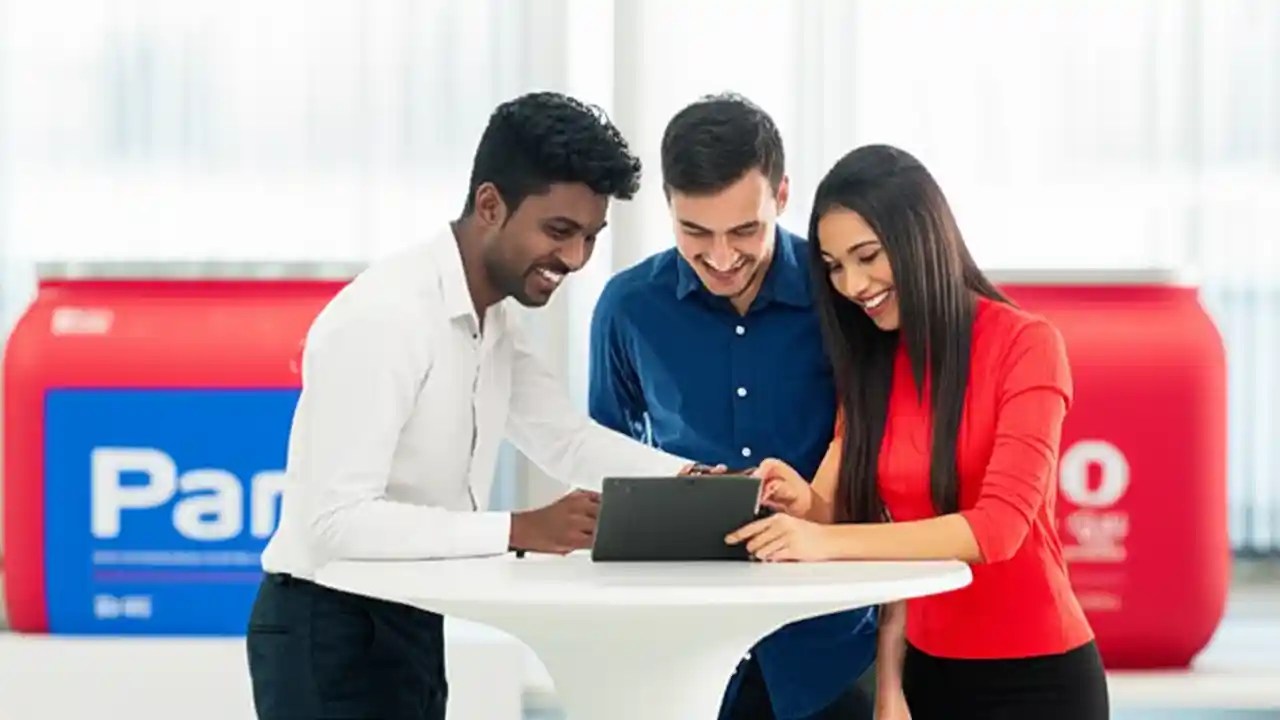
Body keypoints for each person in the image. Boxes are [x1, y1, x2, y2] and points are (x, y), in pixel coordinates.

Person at [245, 91, 703, 720]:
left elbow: (565, 440)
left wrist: (694, 483)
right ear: (490, 205)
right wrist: (517, 530)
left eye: (590, 237)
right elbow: (333, 523)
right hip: (327, 625)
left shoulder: (494, 325)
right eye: (559, 231)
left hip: (409, 617)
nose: (573, 259)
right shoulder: (386, 316)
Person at [724, 144, 1111, 720]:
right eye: (833, 266)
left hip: (1039, 677)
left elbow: (998, 530)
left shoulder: (1026, 345)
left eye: (867, 256)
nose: (853, 284)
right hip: (926, 674)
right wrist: (797, 499)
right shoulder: (872, 363)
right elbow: (840, 512)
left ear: (920, 235)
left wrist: (823, 543)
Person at [588, 93, 883, 720]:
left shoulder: (844, 294)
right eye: (695, 231)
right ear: (667, 205)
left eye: (744, 230)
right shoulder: (627, 308)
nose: (721, 257)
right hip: (684, 644)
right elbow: (600, 465)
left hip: (831, 642)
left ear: (781, 196)